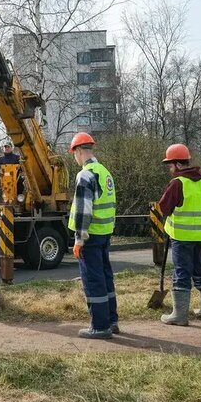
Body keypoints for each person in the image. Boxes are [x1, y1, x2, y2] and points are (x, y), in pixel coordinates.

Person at [157, 143, 201, 326]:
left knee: (181, 274)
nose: (170, 169)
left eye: (170, 165)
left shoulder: (177, 183)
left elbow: (163, 207)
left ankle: (180, 316)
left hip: (181, 238)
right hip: (200, 236)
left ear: (177, 164)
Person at [67, 132, 118, 339]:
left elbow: (83, 210)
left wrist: (79, 239)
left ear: (78, 151)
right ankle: (112, 321)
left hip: (90, 237)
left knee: (93, 280)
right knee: (105, 278)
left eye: (74, 154)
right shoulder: (104, 172)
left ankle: (100, 326)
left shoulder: (85, 175)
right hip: (104, 234)